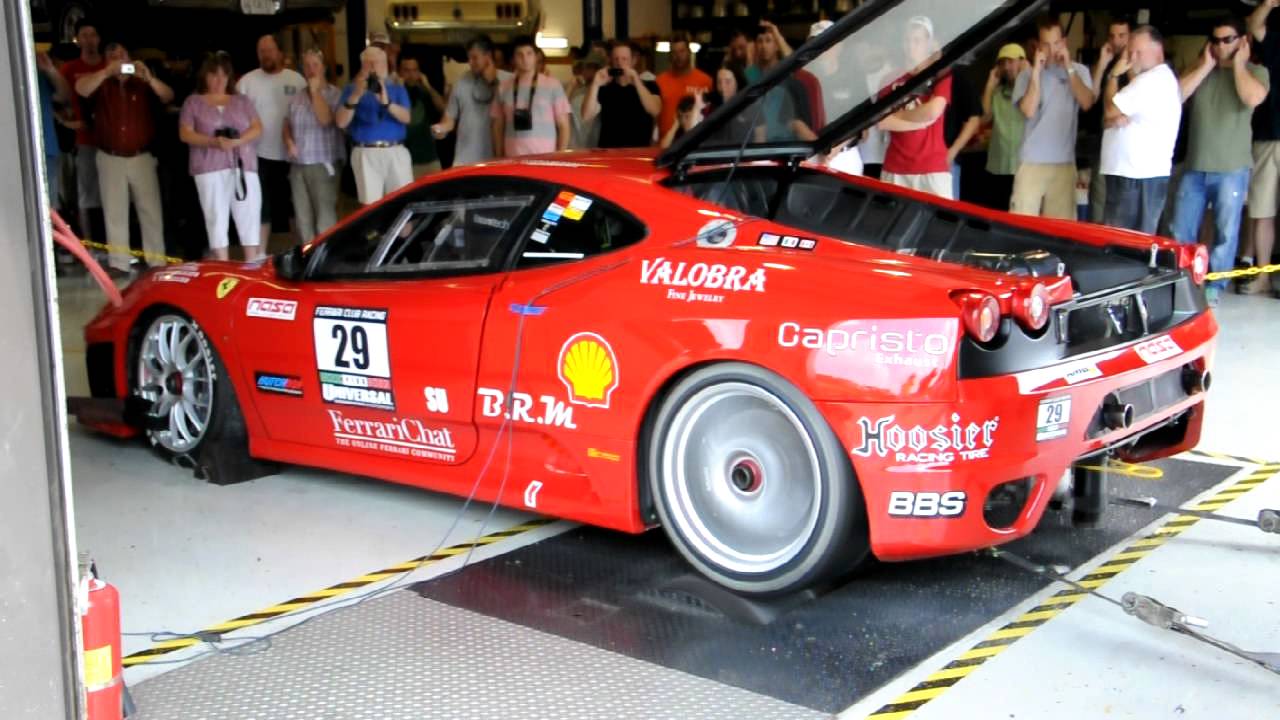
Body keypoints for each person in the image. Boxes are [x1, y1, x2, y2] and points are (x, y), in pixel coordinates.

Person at [1170, 19, 1269, 304]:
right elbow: (1174, 97)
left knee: (1227, 231)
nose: (1221, 45)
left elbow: (1252, 97)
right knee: (1181, 227)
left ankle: (1215, 283)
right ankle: (1184, 281)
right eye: (1216, 39)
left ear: (1242, 40)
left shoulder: (1256, 71)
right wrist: (1205, 66)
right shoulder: (1201, 68)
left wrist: (1238, 64)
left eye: (1228, 39)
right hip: (1195, 165)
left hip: (1232, 168)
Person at [75, 42, 174, 275]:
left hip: (141, 155)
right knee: (114, 211)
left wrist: (149, 78)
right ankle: (119, 262)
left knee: (150, 209)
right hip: (110, 155)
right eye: (113, 56)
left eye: (123, 55)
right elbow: (81, 88)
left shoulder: (141, 81)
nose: (119, 60)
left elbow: (168, 95)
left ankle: (156, 261)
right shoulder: (100, 81)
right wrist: (106, 72)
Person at [179, 52, 264, 261]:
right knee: (216, 218)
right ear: (205, 77)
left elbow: (257, 127)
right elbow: (185, 133)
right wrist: (212, 142)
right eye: (213, 75)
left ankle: (252, 265)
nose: (218, 80)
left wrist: (237, 141)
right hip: (209, 167)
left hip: (243, 166)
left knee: (249, 216)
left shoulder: (242, 101)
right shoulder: (194, 102)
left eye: (223, 75)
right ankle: (222, 265)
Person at [1099, 25, 1181, 235]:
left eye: (1138, 52)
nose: (1132, 57)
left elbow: (1110, 110)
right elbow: (1111, 119)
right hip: (1140, 173)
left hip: (1133, 175)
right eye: (1130, 51)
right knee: (1138, 241)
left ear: (1158, 51)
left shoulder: (1150, 81)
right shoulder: (1157, 80)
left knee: (1120, 241)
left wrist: (1113, 76)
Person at [1010, 16, 1094, 219]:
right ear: (1038, 46)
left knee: (1061, 229)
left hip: (1063, 163)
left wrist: (1069, 69)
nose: (1052, 49)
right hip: (1031, 161)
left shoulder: (1080, 71)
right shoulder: (1026, 76)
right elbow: (1028, 110)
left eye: (1056, 43)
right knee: (1021, 223)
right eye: (1046, 44)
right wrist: (1037, 72)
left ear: (1064, 43)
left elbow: (1087, 102)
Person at [237, 34, 306, 246]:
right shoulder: (246, 82)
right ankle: (259, 255)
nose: (265, 55)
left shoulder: (296, 80)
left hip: (292, 154)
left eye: (269, 50)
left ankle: (300, 252)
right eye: (261, 51)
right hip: (258, 155)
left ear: (280, 53)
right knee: (261, 207)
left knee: (296, 207)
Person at [877, 15, 953, 199]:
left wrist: (898, 115)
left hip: (932, 168)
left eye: (917, 40)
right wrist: (920, 123)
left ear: (929, 43)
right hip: (896, 168)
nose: (912, 45)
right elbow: (882, 122)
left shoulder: (940, 74)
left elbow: (933, 110)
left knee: (939, 225)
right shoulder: (889, 80)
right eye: (908, 40)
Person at [336, 46, 412, 205]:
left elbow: (406, 118)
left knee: (402, 204)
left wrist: (387, 103)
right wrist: (356, 94)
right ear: (362, 66)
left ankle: (403, 230)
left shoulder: (397, 88)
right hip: (365, 151)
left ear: (385, 65)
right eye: (368, 64)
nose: (372, 68)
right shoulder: (350, 89)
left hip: (395, 150)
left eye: (376, 63)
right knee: (369, 207)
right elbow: (341, 122)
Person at [283, 48, 345, 244]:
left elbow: (326, 119)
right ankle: (308, 261)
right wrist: (288, 140)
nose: (311, 70)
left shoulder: (335, 94)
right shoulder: (296, 96)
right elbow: (286, 124)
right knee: (303, 219)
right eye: (307, 66)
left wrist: (315, 91)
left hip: (323, 164)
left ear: (324, 68)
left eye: (315, 65)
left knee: (324, 219)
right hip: (298, 164)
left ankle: (326, 260)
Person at [1243, 0, 1280, 292]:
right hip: (1268, 134)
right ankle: (1263, 277)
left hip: (1268, 134)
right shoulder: (1275, 31)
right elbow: (1253, 25)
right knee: (1262, 210)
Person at [59, 19, 106, 241]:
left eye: (93, 34)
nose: (89, 39)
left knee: (111, 194)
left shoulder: (109, 65)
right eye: (84, 35)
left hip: (111, 140)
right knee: (87, 195)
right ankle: (90, 244)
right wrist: (66, 122)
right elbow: (57, 100)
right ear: (78, 40)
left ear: (99, 38)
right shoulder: (70, 69)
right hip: (85, 140)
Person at [430, 35, 509, 166]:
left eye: (474, 58)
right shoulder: (461, 82)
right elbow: (449, 119)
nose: (470, 63)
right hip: (465, 160)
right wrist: (441, 129)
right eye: (469, 58)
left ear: (488, 56)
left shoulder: (508, 81)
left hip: (497, 160)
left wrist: (493, 82)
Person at [491, 36, 571, 158]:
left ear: (536, 57)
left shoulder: (552, 85)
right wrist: (498, 155)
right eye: (520, 55)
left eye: (529, 53)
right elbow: (498, 125)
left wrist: (560, 156)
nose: (525, 59)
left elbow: (564, 125)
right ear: (513, 59)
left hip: (545, 158)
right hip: (513, 157)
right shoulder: (503, 87)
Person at [1086, 18, 1132, 222]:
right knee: (1098, 201)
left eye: (1122, 35)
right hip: (1104, 143)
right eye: (1112, 36)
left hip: (1129, 148)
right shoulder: (1106, 64)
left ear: (1130, 37)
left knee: (1123, 205)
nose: (1116, 41)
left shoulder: (1135, 64)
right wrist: (1103, 64)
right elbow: (1091, 97)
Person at [582, 41, 662, 149]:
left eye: (624, 59)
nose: (620, 63)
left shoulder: (649, 85)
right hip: (609, 152)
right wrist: (595, 84)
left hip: (638, 152)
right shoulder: (604, 88)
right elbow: (586, 115)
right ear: (611, 61)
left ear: (633, 61)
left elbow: (655, 110)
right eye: (616, 59)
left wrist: (637, 82)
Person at [982, 43, 1027, 210]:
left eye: (1010, 61)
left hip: (1022, 166)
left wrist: (1027, 76)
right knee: (997, 214)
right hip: (998, 165)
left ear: (1022, 62)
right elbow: (985, 118)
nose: (1006, 67)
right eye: (1002, 63)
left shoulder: (1031, 90)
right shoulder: (998, 92)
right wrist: (989, 85)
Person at [655, 33, 712, 138]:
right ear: (670, 55)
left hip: (695, 140)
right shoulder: (659, 82)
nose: (678, 56)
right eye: (674, 52)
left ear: (689, 52)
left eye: (682, 51)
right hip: (666, 143)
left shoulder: (705, 81)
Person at [398, 54, 445, 177]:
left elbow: (444, 109)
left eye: (414, 70)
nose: (411, 75)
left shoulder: (425, 91)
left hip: (429, 158)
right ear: (400, 72)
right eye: (406, 70)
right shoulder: (395, 92)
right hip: (404, 160)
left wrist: (428, 86)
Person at [36, 50, 71, 205]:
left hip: (46, 149)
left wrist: (50, 69)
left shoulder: (39, 70)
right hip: (10, 153)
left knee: (48, 209)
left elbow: (64, 95)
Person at [944, 67, 982, 201]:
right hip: (911, 157)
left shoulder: (957, 76)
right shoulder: (909, 76)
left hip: (946, 156)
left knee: (945, 212)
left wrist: (953, 150)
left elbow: (974, 117)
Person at [566, 48, 606, 148]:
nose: (590, 71)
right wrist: (570, 88)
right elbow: (562, 112)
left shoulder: (604, 92)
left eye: (594, 68)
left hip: (593, 146)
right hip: (572, 145)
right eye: (587, 67)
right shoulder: (575, 89)